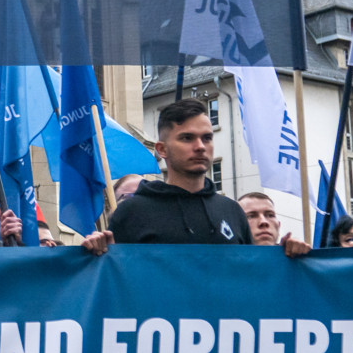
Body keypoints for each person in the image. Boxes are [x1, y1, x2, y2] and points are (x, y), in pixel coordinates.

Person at [111, 99, 308, 254]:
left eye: (207, 138)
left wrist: (284, 257)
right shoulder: (131, 213)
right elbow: (114, 278)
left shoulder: (232, 211)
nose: (200, 146)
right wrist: (99, 249)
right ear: (162, 149)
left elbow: (250, 276)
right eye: (187, 138)